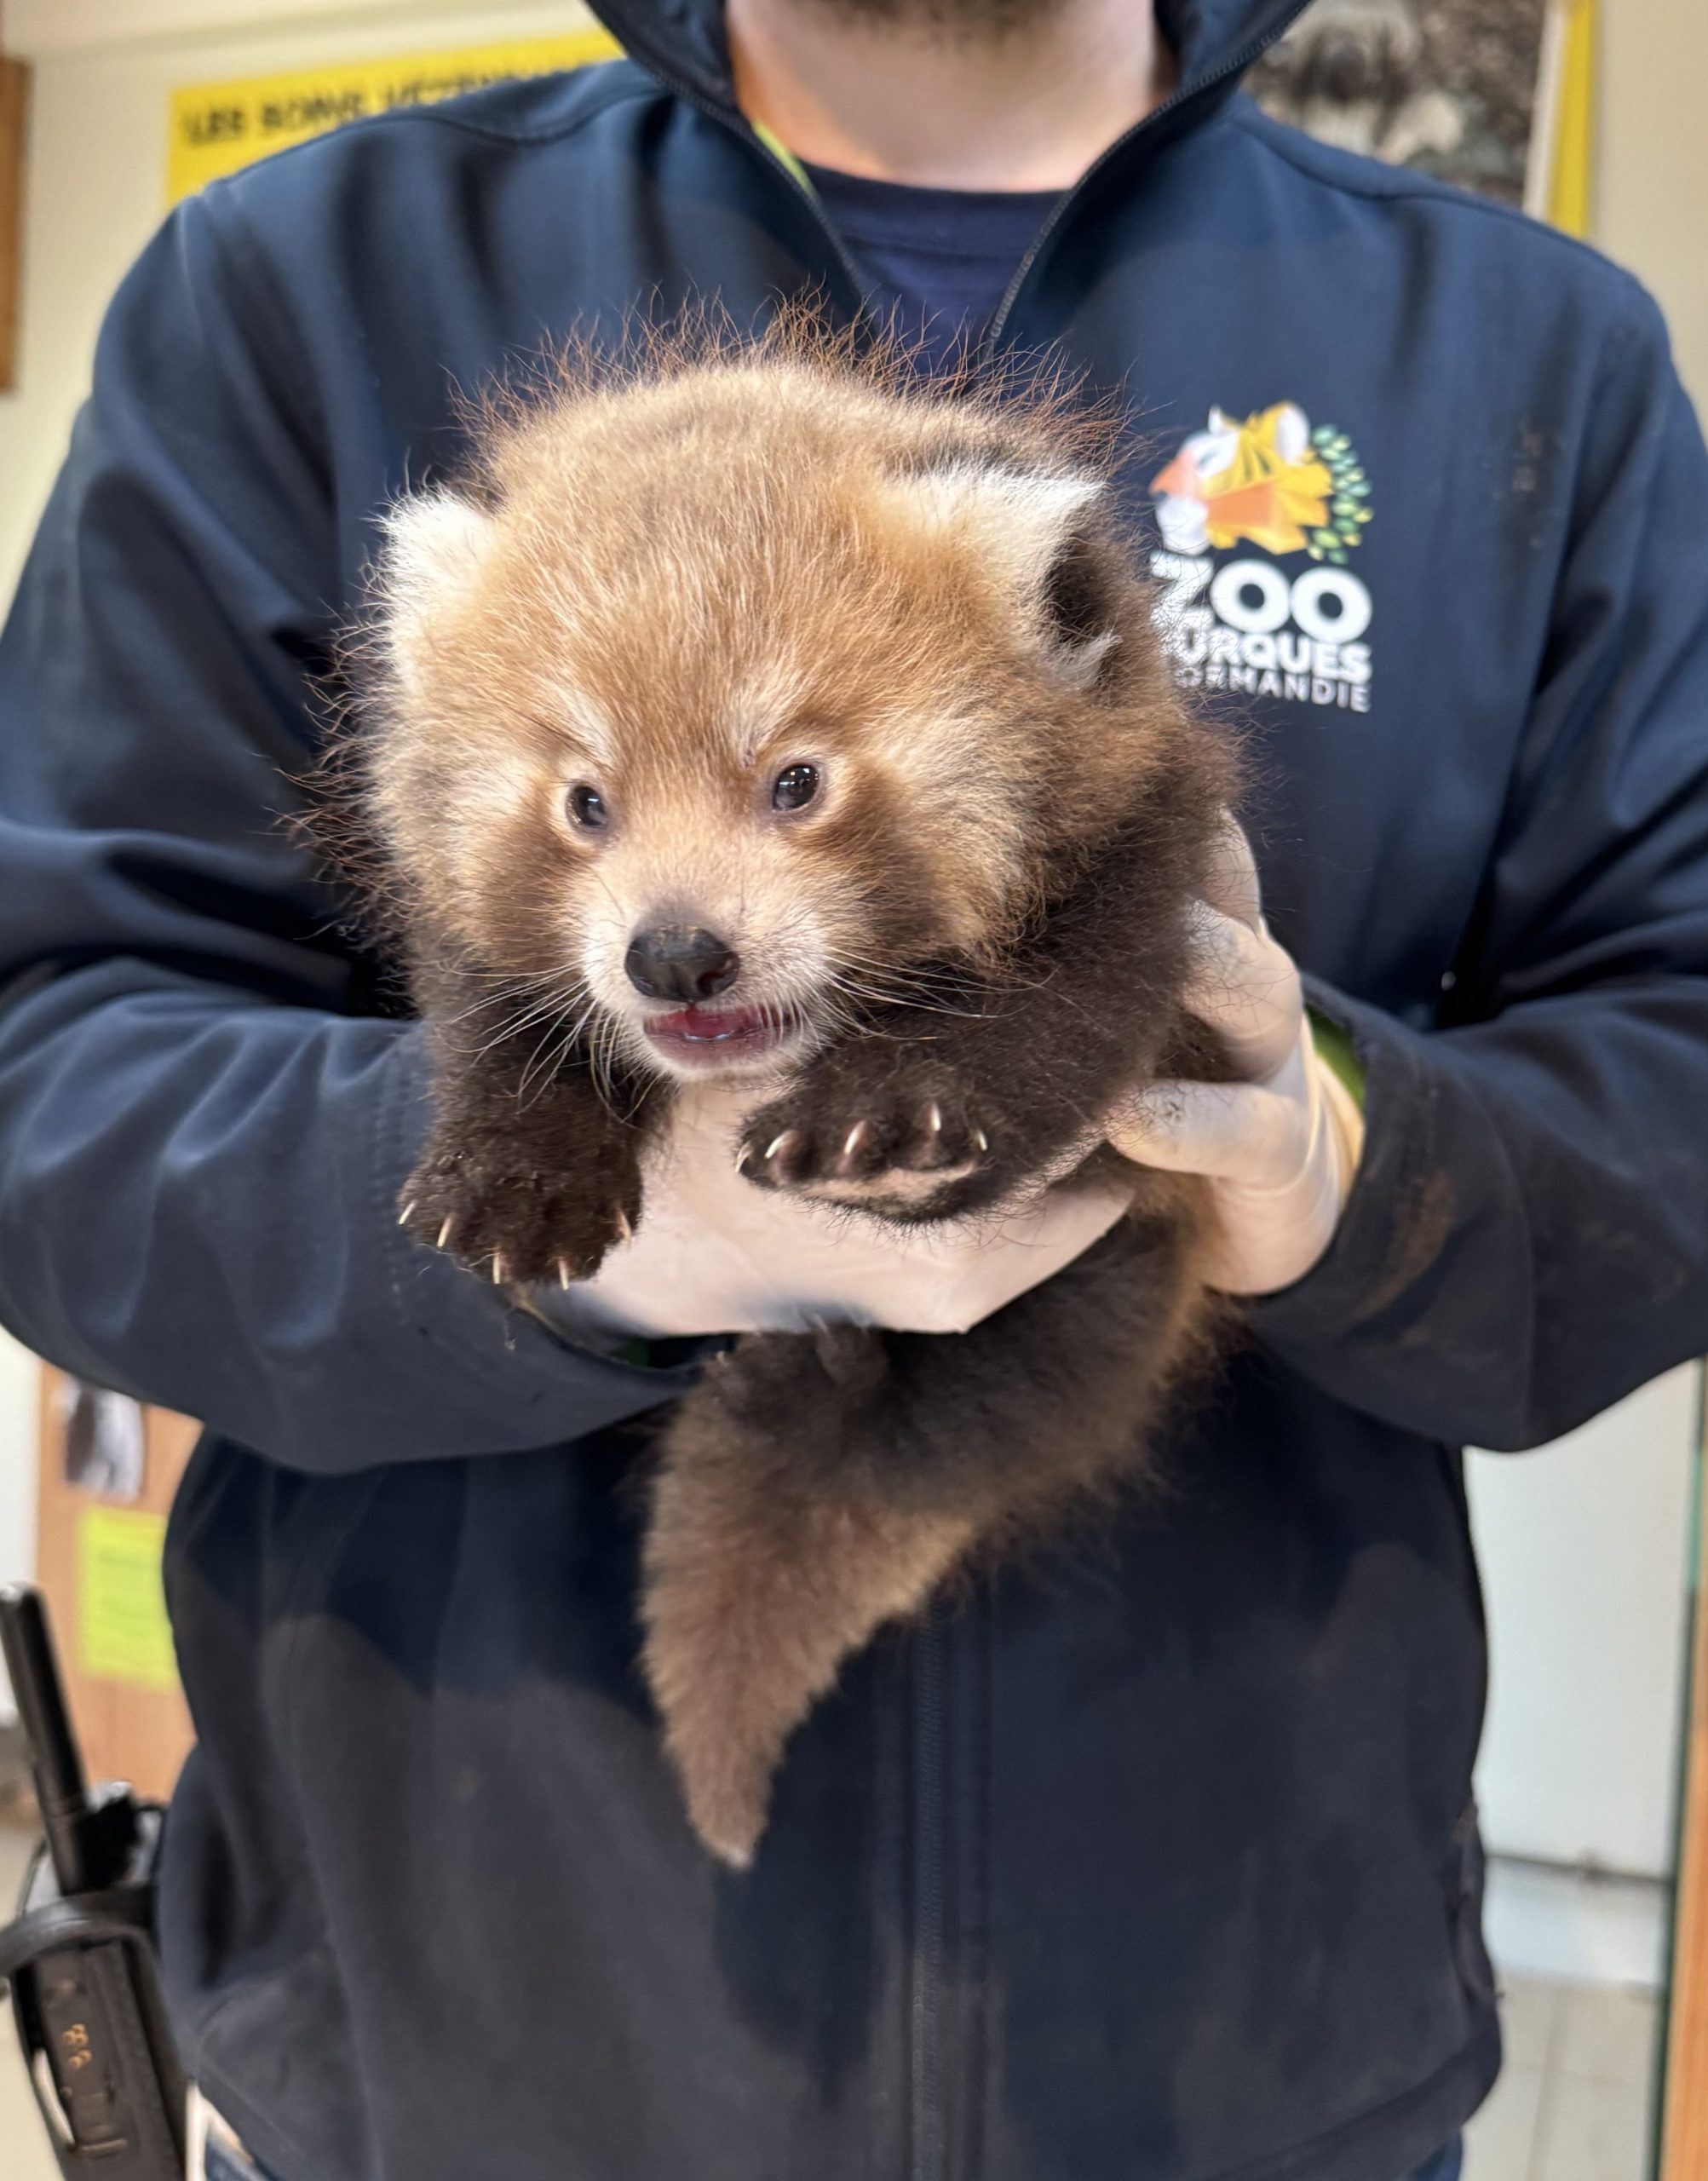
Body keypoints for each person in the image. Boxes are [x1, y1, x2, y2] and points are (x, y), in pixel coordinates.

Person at [0, 1, 1704, 2177]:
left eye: (791, 787)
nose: (672, 926)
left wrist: (1341, 1159)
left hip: (1238, 2049)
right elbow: (54, 1074)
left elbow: (1668, 1073)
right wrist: (606, 1228)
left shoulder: (1525, 347)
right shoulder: (290, 280)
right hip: (452, 2058)